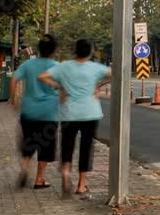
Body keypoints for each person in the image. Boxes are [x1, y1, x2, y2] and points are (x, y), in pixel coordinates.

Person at [39, 38, 112, 199]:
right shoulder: (95, 67)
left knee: (67, 145)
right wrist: (98, 86)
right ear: (90, 52)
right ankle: (81, 185)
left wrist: (60, 87)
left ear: (75, 50)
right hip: (90, 113)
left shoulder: (64, 66)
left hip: (69, 113)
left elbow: (42, 76)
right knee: (86, 148)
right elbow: (115, 74)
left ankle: (66, 173)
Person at [10, 34, 60, 189]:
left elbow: (14, 79)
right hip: (49, 113)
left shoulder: (28, 64)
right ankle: (39, 180)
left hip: (29, 111)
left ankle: (25, 167)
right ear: (54, 50)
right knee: (45, 147)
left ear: (39, 49)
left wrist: (14, 100)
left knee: (29, 142)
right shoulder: (57, 66)